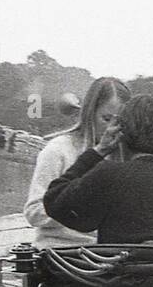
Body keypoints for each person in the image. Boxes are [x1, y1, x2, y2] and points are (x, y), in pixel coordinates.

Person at [43, 93, 153, 245]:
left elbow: (54, 201)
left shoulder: (109, 175)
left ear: (121, 133)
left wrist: (98, 152)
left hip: (126, 279)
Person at [25, 76, 131, 247]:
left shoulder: (124, 158)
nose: (111, 128)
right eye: (106, 118)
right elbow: (34, 212)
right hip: (60, 253)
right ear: (90, 113)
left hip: (108, 255)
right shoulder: (58, 149)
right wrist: (80, 210)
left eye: (118, 122)